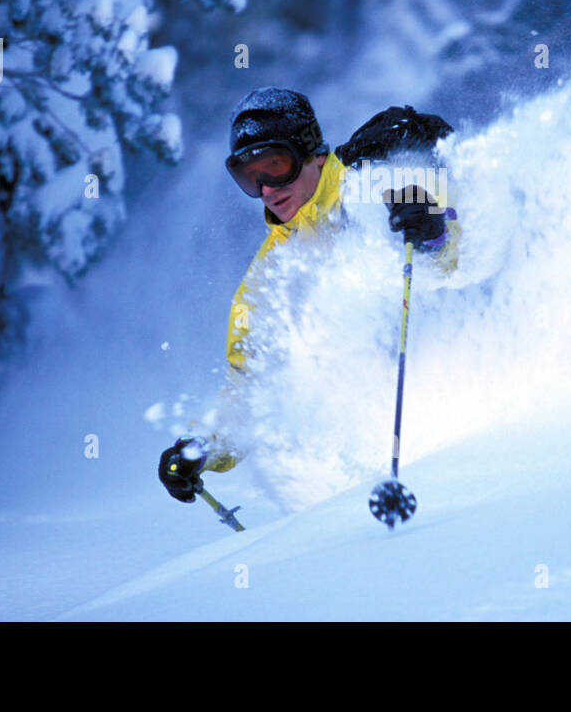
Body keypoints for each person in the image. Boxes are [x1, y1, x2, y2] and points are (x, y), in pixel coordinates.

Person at [159, 88, 458, 504]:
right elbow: (249, 388)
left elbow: (459, 264)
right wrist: (202, 447)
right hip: (366, 449)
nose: (266, 189)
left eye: (275, 166)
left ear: (313, 153)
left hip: (455, 412)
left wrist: (433, 231)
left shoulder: (379, 180)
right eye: (249, 177)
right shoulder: (269, 274)